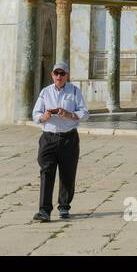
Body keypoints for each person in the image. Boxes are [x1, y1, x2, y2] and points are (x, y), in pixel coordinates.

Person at [31, 61, 90, 222]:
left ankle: (64, 206)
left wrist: (69, 114)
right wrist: (43, 117)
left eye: (62, 74)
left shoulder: (74, 91)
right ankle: (44, 210)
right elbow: (36, 114)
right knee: (46, 172)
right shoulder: (45, 92)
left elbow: (84, 112)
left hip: (68, 138)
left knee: (68, 174)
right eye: (56, 73)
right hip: (48, 138)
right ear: (52, 75)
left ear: (67, 75)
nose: (59, 76)